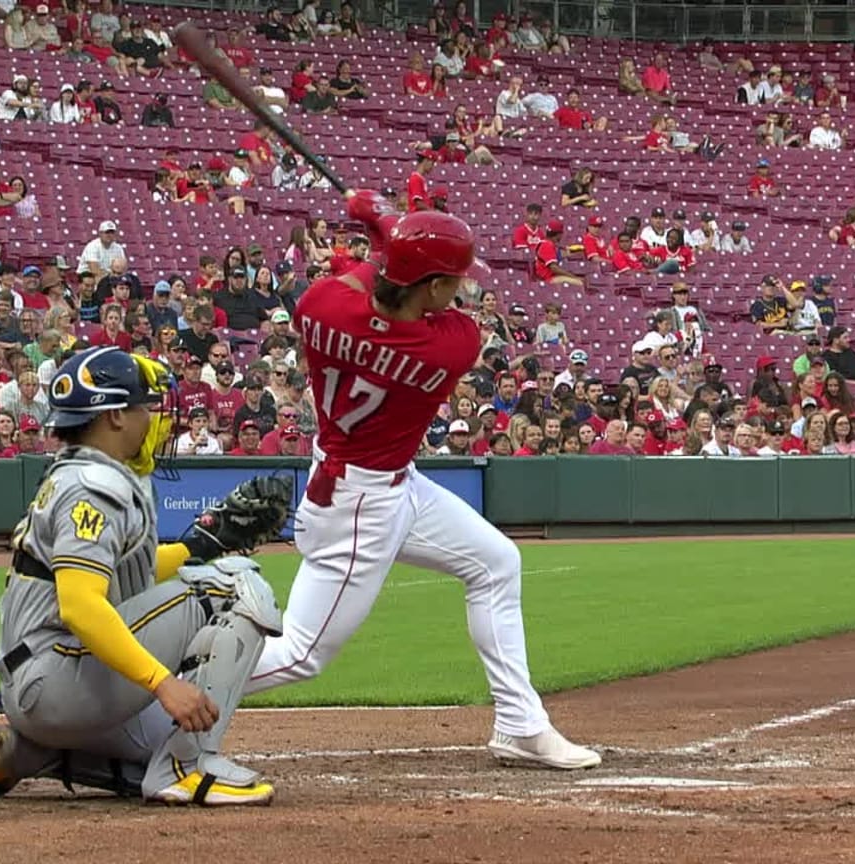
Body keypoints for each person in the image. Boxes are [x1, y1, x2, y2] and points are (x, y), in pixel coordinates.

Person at [243, 190, 599, 771]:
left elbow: (372, 283)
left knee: (495, 562)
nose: (460, 289)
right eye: (452, 280)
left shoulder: (318, 306)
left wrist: (385, 234)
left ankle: (520, 725)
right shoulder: (449, 345)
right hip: (361, 504)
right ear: (431, 287)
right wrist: (383, 218)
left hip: (377, 480)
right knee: (302, 653)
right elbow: (400, 284)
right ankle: (154, 694)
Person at [0, 346, 288, 807]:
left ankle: (32, 753)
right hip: (53, 678)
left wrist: (200, 546)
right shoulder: (92, 487)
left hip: (44, 684)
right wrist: (162, 683)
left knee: (157, 747)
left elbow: (130, 574)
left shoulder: (81, 474)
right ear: (113, 416)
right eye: (143, 406)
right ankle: (186, 768)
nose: (153, 419)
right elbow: (82, 605)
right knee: (234, 585)